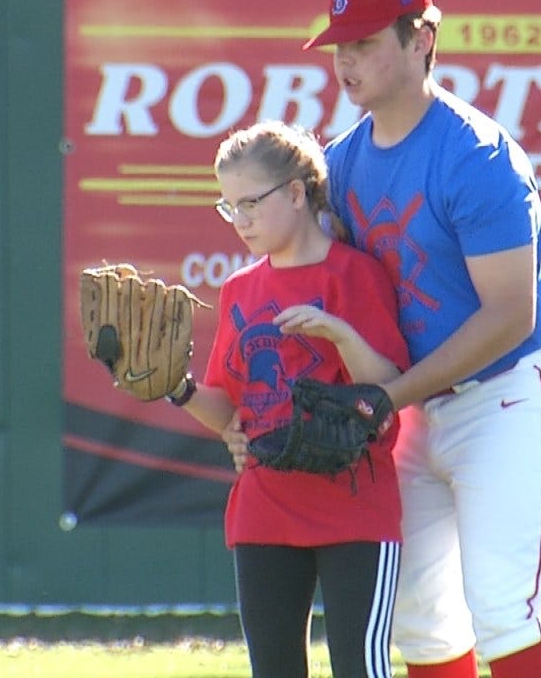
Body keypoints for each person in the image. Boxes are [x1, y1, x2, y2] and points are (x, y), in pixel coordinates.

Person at [298, 0, 541, 676]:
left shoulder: (476, 156)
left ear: (423, 37)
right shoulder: (342, 163)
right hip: (413, 412)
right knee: (422, 625)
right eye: (339, 44)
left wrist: (388, 396)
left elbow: (510, 316)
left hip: (509, 396)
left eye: (364, 42)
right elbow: (311, 281)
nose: (345, 61)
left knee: (504, 610)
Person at [166, 120, 411, 678]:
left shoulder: (357, 274)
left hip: (352, 501)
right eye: (229, 207)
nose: (241, 220)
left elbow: (390, 387)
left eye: (250, 202)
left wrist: (341, 333)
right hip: (264, 504)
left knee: (362, 667)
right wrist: (175, 389)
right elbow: (231, 411)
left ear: (297, 193)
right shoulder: (241, 288)